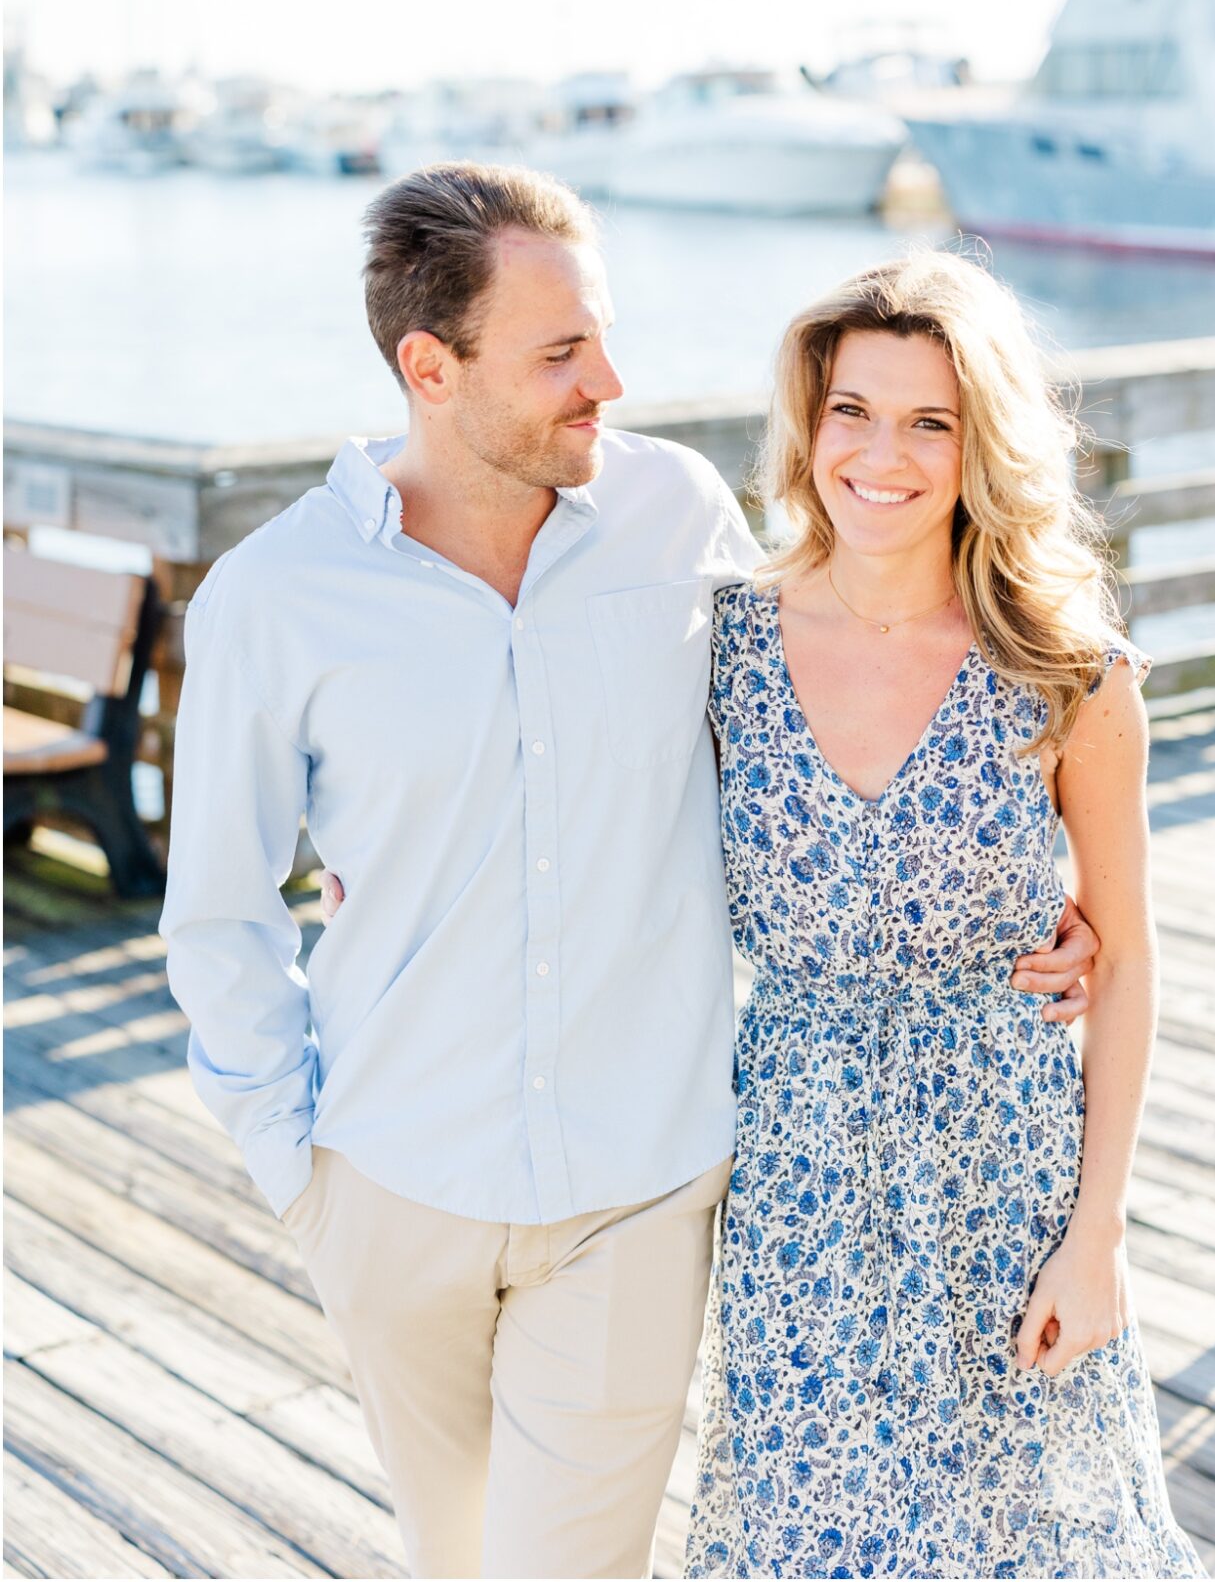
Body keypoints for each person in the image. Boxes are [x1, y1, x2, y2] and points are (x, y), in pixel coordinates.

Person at [160, 165, 1097, 1581]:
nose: (610, 379)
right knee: (456, 1560)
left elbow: (819, 724)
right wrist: (300, 1173)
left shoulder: (679, 519)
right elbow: (221, 915)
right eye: (559, 356)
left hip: (638, 1191)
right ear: (430, 366)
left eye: (599, 334)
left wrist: (1025, 889)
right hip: (392, 1180)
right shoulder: (275, 600)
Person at [683, 253, 1204, 1578]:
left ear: (984, 444)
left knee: (1035, 1543)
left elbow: (1130, 957)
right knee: (817, 1538)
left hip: (1010, 1175)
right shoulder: (721, 644)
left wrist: (1099, 1237)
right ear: (811, 422)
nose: (883, 456)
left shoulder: (1067, 667)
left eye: (932, 421)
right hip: (799, 1175)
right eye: (854, 410)